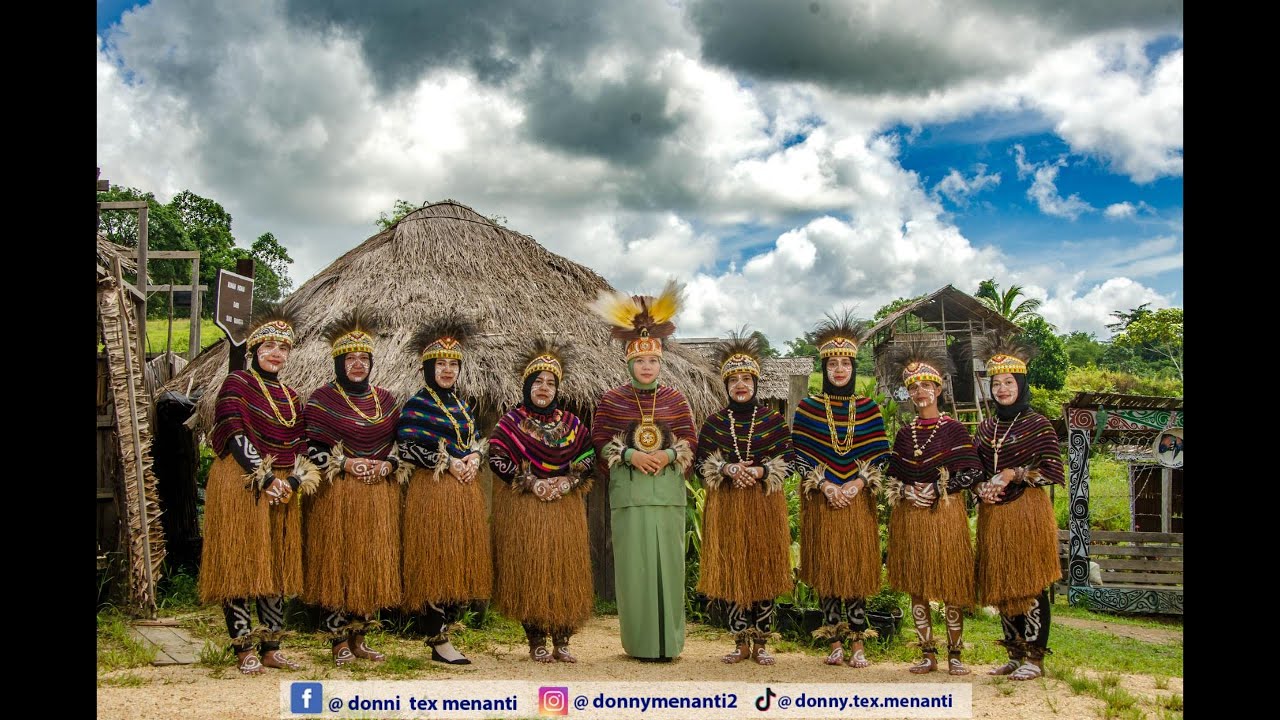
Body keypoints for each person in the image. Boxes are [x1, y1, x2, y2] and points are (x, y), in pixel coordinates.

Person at [199, 304, 320, 674]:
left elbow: (303, 444)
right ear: (253, 350)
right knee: (240, 562)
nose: (275, 354)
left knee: (277, 565)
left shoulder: (292, 396)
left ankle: (271, 645)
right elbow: (235, 431)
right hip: (240, 482)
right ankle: (242, 647)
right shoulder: (237, 383)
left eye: (282, 348)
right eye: (268, 346)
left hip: (282, 486)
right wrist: (265, 478)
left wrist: (293, 482)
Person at [589, 279, 697, 661]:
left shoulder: (676, 400)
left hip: (667, 497)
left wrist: (667, 457)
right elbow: (599, 441)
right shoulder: (612, 400)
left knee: (669, 567)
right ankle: (639, 644)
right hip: (631, 497)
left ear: (660, 362)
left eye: (652, 360)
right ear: (629, 362)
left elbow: (690, 442)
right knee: (635, 571)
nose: (647, 366)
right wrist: (631, 455)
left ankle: (670, 642)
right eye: (640, 361)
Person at [302, 309, 409, 666]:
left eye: (364, 358)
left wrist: (387, 464)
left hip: (378, 494)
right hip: (338, 494)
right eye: (351, 358)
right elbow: (311, 449)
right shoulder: (321, 400)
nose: (358, 364)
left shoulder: (388, 401)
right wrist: (346, 463)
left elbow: (401, 445)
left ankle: (360, 636)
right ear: (338, 363)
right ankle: (337, 641)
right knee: (339, 563)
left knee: (370, 563)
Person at [791, 310, 890, 669]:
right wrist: (825, 485)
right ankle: (834, 640)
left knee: (856, 572)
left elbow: (881, 456)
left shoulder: (868, 409)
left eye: (844, 363)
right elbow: (798, 455)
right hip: (821, 501)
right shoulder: (808, 409)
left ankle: (860, 643)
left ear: (853, 366)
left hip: (857, 503)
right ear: (824, 367)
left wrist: (859, 483)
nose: (838, 370)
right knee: (828, 572)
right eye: (831, 363)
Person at [488, 340, 596, 663]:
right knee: (531, 570)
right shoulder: (511, 423)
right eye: (538, 382)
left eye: (550, 383)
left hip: (564, 508)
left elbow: (589, 458)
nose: (544, 388)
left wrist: (567, 480)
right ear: (527, 386)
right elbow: (497, 457)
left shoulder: (573, 426)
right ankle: (536, 639)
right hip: (528, 510)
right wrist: (531, 483)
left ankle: (562, 640)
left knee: (565, 571)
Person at [694, 331, 793, 666]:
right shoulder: (714, 424)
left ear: (756, 381)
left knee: (763, 570)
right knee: (734, 570)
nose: (740, 384)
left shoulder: (773, 422)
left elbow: (789, 462)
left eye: (746, 378)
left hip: (765, 507)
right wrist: (727, 469)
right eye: (733, 379)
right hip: (728, 507)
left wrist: (762, 472)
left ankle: (762, 641)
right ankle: (740, 641)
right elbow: (699, 464)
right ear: (725, 385)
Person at [884, 339, 982, 675]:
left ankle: (956, 656)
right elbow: (893, 477)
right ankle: (928, 654)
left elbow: (972, 472)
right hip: (911, 517)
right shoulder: (904, 434)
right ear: (908, 393)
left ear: (938, 389)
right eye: (914, 387)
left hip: (946, 517)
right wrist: (907, 490)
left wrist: (940, 489)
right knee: (917, 586)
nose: (920, 392)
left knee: (951, 585)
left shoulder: (953, 429)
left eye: (926, 385)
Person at [397, 317, 491, 665]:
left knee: (457, 560)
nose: (448, 370)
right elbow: (405, 446)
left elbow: (474, 438)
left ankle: (447, 629)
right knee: (436, 560)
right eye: (441, 364)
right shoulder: (417, 405)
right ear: (428, 367)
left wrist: (476, 457)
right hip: (433, 492)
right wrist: (448, 462)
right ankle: (437, 638)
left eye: (453, 364)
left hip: (463, 495)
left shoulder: (463, 407)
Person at [972, 332, 1066, 681]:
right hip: (994, 514)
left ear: (1021, 383)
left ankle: (1035, 658)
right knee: (1001, 579)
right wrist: (981, 487)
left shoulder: (1038, 424)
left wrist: (1015, 473)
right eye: (996, 384)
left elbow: (1052, 472)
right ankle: (1014, 653)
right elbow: (974, 469)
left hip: (1027, 512)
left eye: (1009, 382)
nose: (1002, 389)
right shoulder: (985, 428)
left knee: (1030, 581)